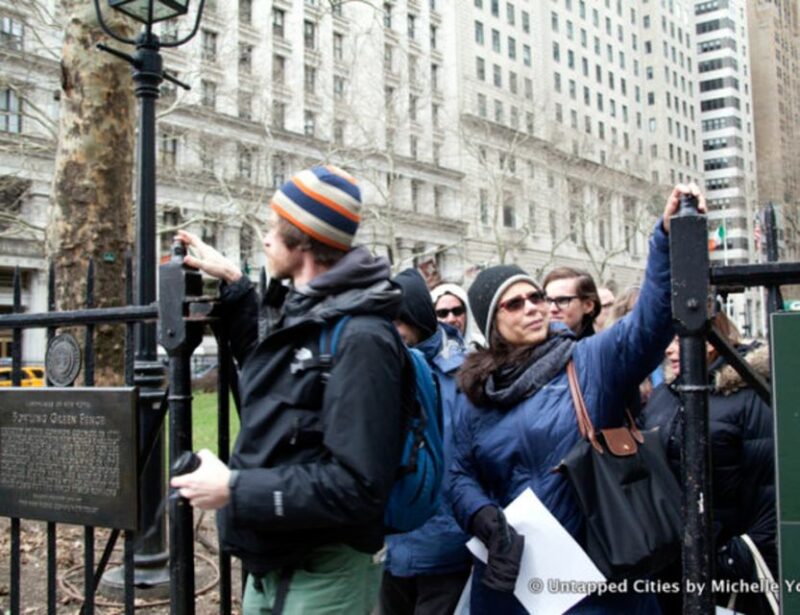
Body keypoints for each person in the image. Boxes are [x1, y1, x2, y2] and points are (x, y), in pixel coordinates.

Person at [448, 184, 706, 614]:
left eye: (537, 297)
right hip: (514, 581)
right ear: (492, 322)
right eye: (515, 303)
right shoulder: (475, 389)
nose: (534, 307)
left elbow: (650, 324)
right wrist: (481, 516)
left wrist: (665, 239)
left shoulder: (587, 361)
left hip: (598, 575)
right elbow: (456, 473)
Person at [171, 165, 408, 614]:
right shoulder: (306, 313)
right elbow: (272, 372)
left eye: (271, 228)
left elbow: (359, 486)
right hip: (273, 565)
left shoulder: (362, 337)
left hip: (325, 573)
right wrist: (235, 283)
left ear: (301, 240)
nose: (263, 238)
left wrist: (235, 489)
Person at [641, 312, 775, 615]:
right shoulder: (665, 394)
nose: (670, 349)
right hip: (674, 564)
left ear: (711, 338)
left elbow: (769, 488)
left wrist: (733, 558)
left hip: (727, 569)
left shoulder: (748, 394)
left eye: (677, 339)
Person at [381, 268, 472, 615]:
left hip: (443, 548)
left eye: (395, 321)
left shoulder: (462, 377)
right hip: (389, 548)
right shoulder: (383, 365)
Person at [542, 267, 601, 339]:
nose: (552, 309)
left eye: (562, 300)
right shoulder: (531, 345)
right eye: (548, 300)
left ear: (588, 305)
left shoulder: (597, 348)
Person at [431, 282, 486, 349]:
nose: (451, 319)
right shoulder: (425, 354)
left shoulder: (483, 346)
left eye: (457, 311)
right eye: (442, 313)